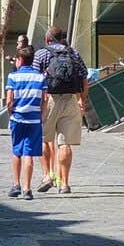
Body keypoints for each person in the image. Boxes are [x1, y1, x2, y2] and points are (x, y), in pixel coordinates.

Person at [34, 25, 88, 194]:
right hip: (70, 99)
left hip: (49, 99)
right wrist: (82, 100)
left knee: (44, 139)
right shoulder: (73, 53)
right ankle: (64, 183)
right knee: (65, 143)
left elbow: (35, 79)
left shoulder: (41, 54)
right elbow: (84, 77)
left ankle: (47, 176)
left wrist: (38, 103)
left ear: (47, 39)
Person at [5, 45, 45, 201]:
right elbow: (44, 100)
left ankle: (16, 184)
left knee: (17, 151)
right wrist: (41, 116)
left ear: (20, 60)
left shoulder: (13, 77)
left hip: (18, 118)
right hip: (34, 119)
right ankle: (27, 188)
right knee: (29, 153)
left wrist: (11, 114)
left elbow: (9, 100)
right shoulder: (40, 77)